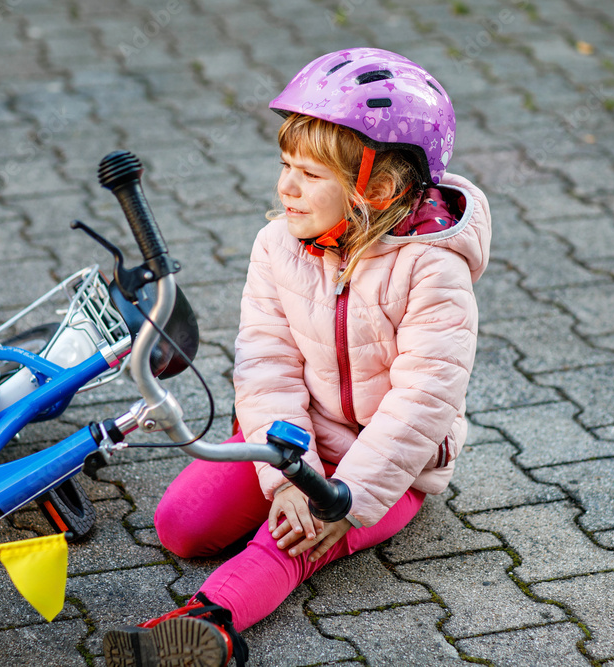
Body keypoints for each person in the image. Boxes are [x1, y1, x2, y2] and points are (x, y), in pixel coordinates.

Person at [103, 47, 491, 667]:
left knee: (291, 541)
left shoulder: (433, 271)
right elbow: (266, 361)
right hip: (293, 435)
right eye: (285, 164)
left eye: (309, 175)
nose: (286, 186)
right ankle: (283, 504)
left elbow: (423, 402)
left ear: (378, 187)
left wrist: (346, 498)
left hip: (388, 462)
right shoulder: (277, 246)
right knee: (182, 527)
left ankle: (206, 629)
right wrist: (284, 474)